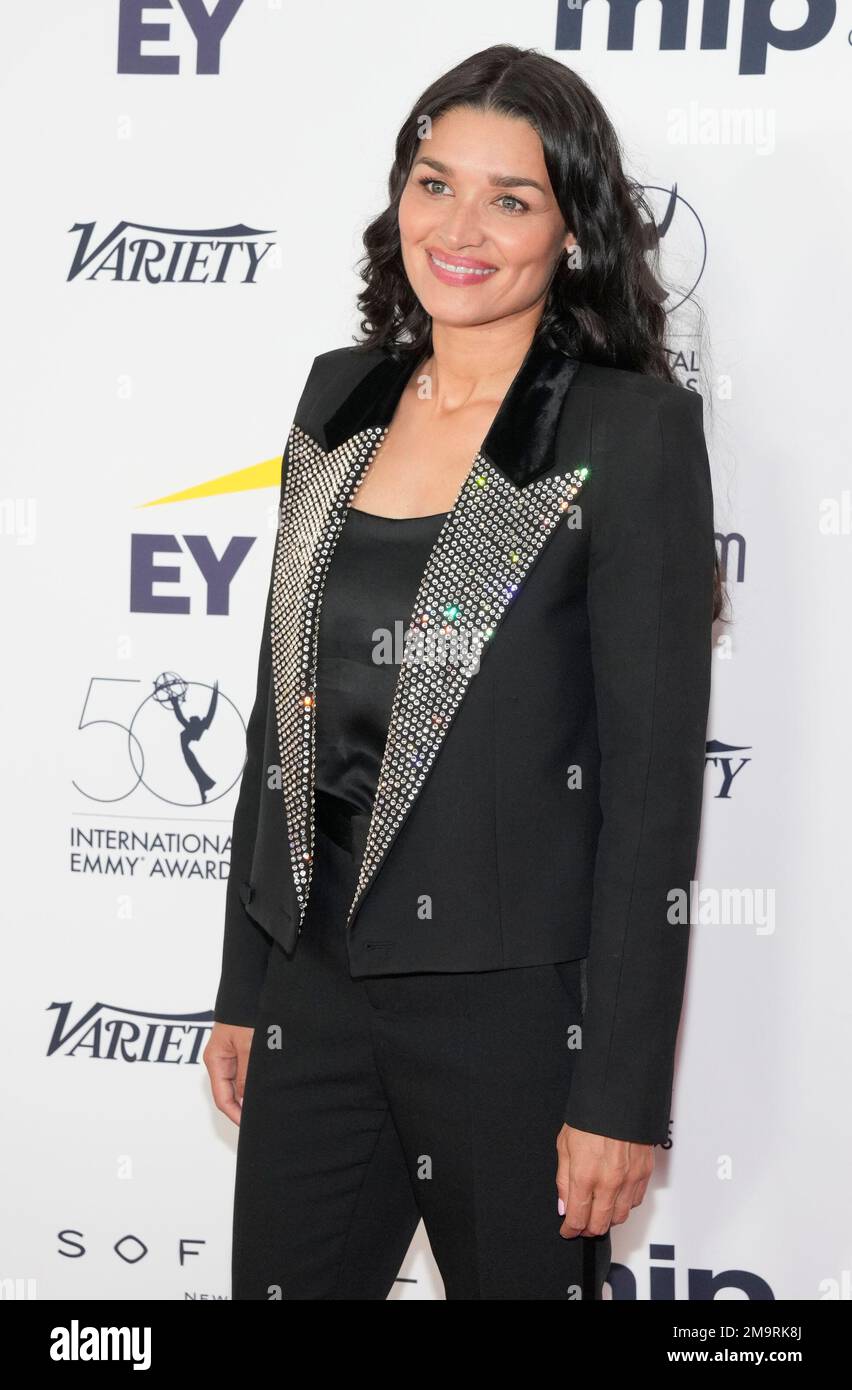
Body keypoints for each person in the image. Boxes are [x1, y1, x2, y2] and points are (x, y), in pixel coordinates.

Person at [203, 43, 723, 1301]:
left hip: (513, 1018)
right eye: (436, 183)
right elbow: (282, 716)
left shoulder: (624, 433)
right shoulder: (343, 398)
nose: (462, 227)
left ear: (574, 232)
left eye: (512, 197)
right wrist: (243, 982)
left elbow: (652, 794)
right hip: (313, 987)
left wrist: (619, 1095)